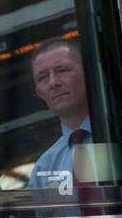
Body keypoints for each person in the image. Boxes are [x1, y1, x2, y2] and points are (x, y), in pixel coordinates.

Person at [27, 37, 91, 189]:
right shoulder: (44, 169)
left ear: (89, 74)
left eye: (62, 70)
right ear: (40, 93)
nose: (53, 82)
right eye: (43, 77)